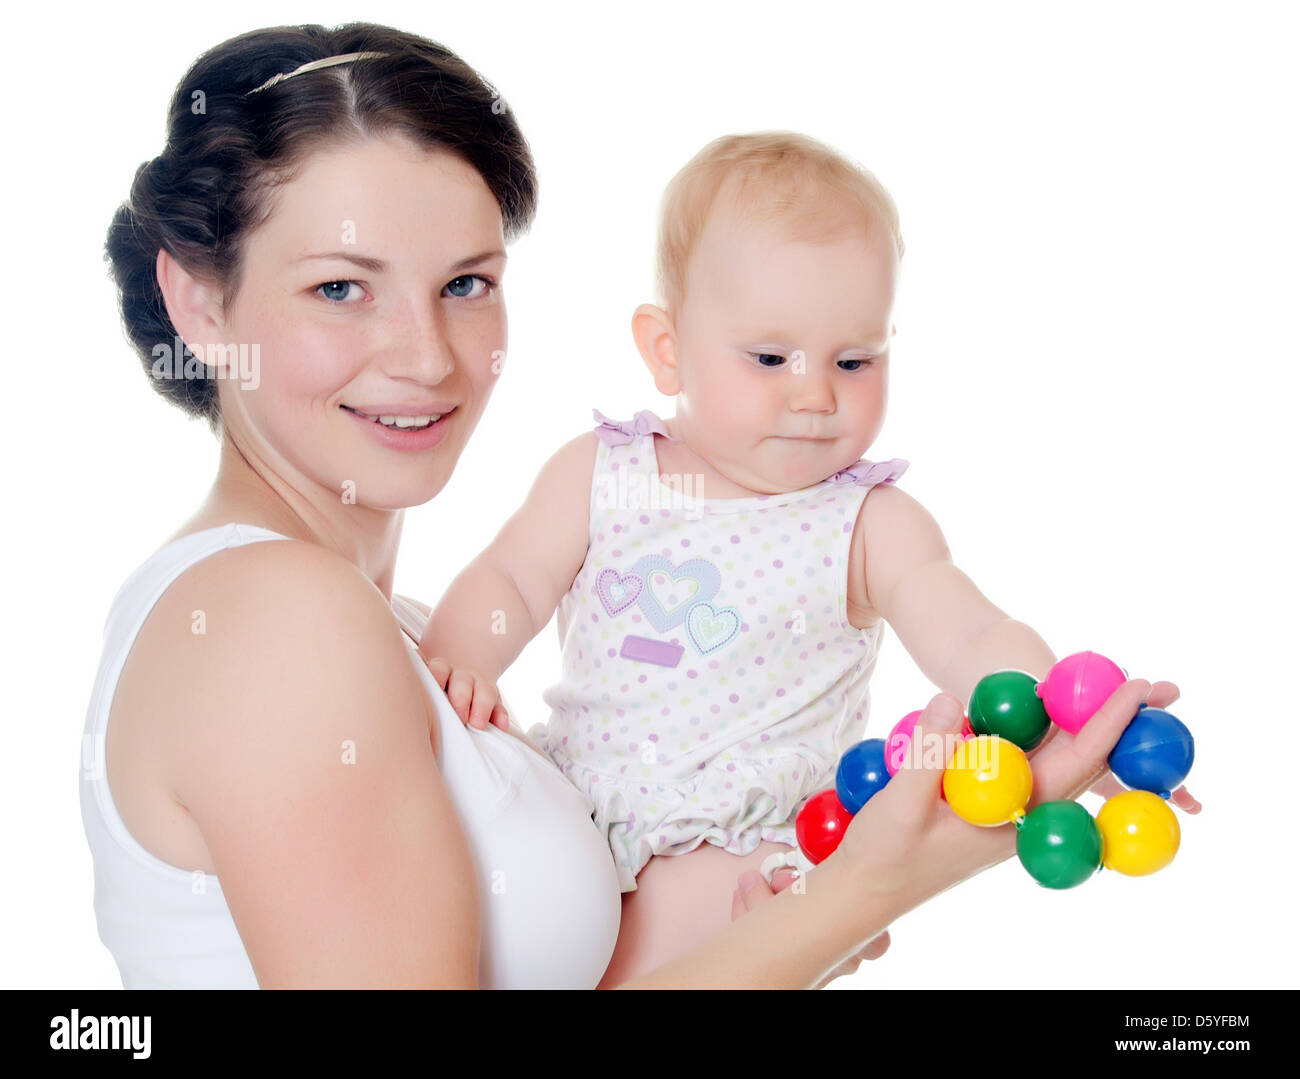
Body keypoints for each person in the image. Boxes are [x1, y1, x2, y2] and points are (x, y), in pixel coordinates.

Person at [80, 21, 1188, 990]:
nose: (425, 355)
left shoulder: (388, 628)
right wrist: (857, 895)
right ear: (196, 295)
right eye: (339, 286)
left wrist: (805, 920)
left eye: (466, 282)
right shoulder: (272, 620)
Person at [416, 131, 1202, 985]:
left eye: (854, 359)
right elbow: (512, 578)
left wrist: (1078, 724)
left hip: (743, 861)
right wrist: (457, 664)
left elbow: (972, 635)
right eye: (769, 357)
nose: (816, 393)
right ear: (665, 347)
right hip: (575, 817)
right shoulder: (602, 471)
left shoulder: (869, 520)